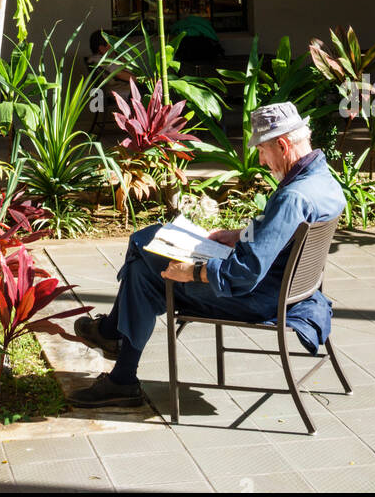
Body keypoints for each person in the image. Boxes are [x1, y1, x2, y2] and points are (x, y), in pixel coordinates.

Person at [67, 101, 345, 408]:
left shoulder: (293, 196)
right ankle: (116, 359)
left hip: (257, 298)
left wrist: (193, 273)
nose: (263, 162)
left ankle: (117, 360)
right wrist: (237, 235)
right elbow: (281, 235)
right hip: (292, 290)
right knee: (144, 258)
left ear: (282, 145)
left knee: (143, 266)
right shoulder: (323, 181)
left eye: (263, 152)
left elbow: (244, 274)